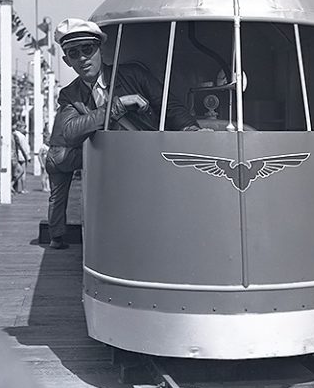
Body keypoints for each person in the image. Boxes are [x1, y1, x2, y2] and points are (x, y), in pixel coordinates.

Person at [45, 18, 201, 249]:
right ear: (67, 61)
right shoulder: (70, 94)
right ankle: (57, 237)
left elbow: (168, 104)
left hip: (146, 154)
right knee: (60, 198)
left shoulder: (132, 75)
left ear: (100, 50)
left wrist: (191, 128)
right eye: (73, 53)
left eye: (88, 49)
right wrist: (118, 105)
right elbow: (69, 131)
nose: (82, 58)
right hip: (90, 161)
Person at [12, 121, 30, 194]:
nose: (25, 129)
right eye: (24, 127)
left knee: (14, 172)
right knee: (23, 172)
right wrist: (28, 157)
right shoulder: (22, 136)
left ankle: (14, 188)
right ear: (19, 127)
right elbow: (24, 148)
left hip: (15, 156)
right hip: (22, 156)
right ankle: (23, 188)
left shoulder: (14, 134)